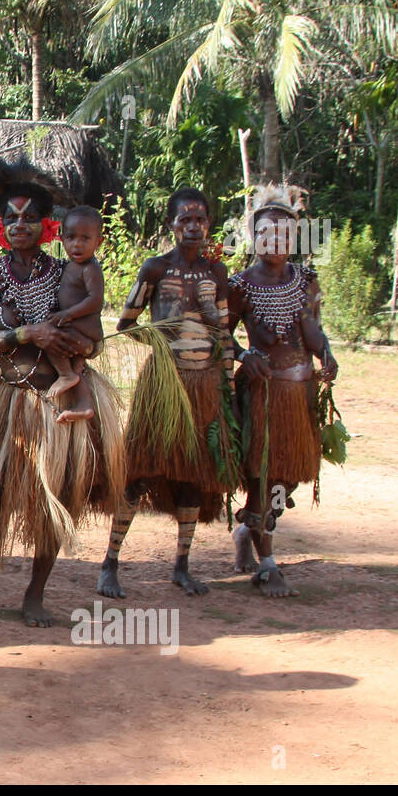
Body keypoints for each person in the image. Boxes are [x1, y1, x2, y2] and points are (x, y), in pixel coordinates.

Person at [0, 158, 123, 627]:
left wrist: (77, 343)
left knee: (54, 499)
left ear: (46, 226)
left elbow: (96, 340)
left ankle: (34, 597)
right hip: (10, 399)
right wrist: (26, 335)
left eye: (28, 217)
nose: (18, 225)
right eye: (10, 217)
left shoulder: (70, 271)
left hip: (58, 404)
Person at [96, 187, 233, 600]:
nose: (194, 226)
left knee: (194, 477)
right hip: (163, 385)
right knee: (139, 473)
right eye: (185, 220)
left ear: (209, 225)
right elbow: (126, 325)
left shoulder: (216, 274)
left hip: (204, 384)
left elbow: (224, 334)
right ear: (171, 225)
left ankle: (182, 565)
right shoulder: (155, 269)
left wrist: (225, 385)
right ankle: (110, 563)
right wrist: (160, 336)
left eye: (201, 219)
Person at [227, 185, 339, 597]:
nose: (277, 241)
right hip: (264, 394)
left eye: (285, 234)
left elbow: (312, 330)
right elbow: (223, 337)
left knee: (288, 478)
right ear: (253, 237)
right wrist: (244, 355)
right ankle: (268, 562)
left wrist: (326, 354)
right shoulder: (240, 286)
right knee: (264, 476)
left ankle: (247, 529)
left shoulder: (305, 280)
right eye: (267, 233)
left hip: (300, 396)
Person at [46, 205, 106, 423]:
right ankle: (84, 403)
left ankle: (65, 374)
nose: (77, 244)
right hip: (75, 327)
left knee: (50, 337)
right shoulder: (69, 265)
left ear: (98, 242)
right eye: (71, 237)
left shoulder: (90, 268)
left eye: (85, 238)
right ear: (62, 239)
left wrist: (68, 314)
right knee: (75, 364)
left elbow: (95, 299)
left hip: (83, 330)